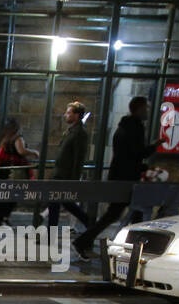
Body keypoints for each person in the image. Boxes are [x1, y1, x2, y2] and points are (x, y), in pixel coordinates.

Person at [73, 96, 160, 259]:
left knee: (125, 214)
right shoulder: (136, 127)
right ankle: (85, 242)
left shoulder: (123, 126)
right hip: (127, 177)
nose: (147, 111)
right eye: (146, 108)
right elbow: (136, 154)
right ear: (139, 109)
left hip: (120, 175)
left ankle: (129, 248)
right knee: (119, 214)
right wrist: (154, 146)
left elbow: (126, 154)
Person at [46, 102, 92, 231]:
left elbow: (78, 158)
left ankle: (89, 222)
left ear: (76, 115)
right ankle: (89, 223)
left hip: (64, 176)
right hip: (60, 175)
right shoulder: (71, 131)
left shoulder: (79, 133)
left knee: (59, 204)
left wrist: (73, 180)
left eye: (68, 113)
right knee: (59, 204)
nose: (65, 115)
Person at [0, 118, 37, 227]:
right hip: (11, 172)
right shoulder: (17, 138)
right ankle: (1, 219)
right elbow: (21, 150)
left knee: (1, 196)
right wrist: (34, 152)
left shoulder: (5, 138)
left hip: (2, 170)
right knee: (11, 196)